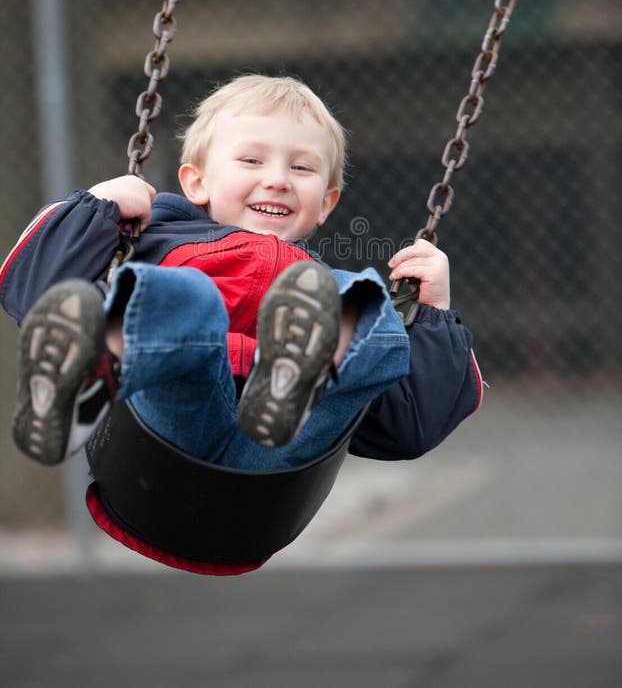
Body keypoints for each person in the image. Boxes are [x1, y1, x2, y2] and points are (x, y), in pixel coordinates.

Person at [0, 74, 483, 573]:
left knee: (367, 310)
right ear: (196, 182)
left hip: (271, 471)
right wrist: (98, 209)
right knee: (184, 301)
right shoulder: (154, 240)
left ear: (327, 203)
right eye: (252, 160)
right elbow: (35, 289)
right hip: (170, 439)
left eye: (301, 167)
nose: (277, 178)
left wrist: (433, 314)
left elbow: (409, 426)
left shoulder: (328, 287)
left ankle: (294, 374)